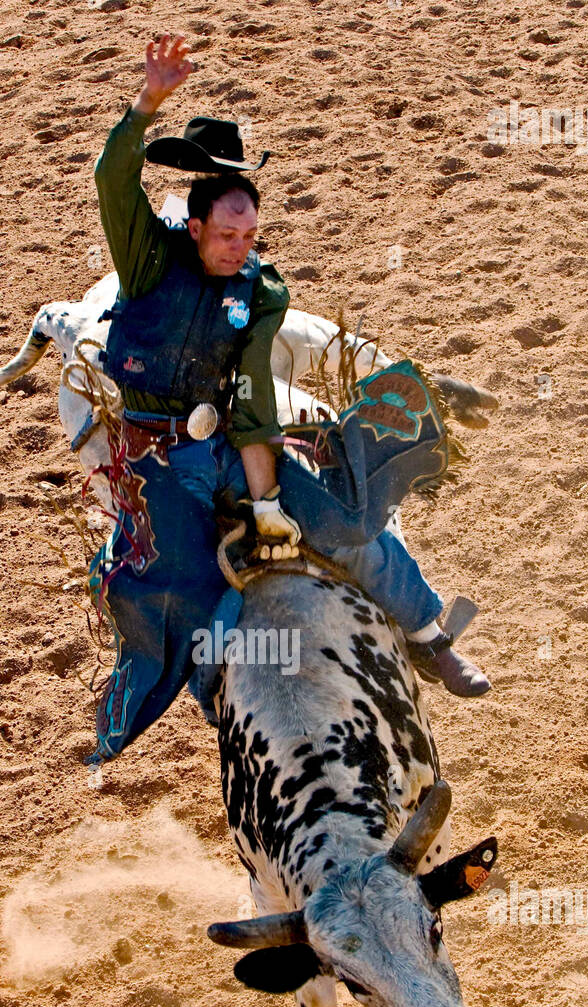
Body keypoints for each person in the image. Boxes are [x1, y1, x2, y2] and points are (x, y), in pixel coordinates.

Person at [88, 33, 490, 763]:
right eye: (228, 233)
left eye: (251, 235)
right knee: (178, 588)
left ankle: (430, 637)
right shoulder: (148, 255)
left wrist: (270, 500)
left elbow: (249, 396)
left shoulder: (260, 292)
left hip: (227, 443)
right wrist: (147, 103)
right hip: (157, 454)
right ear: (197, 224)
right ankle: (214, 704)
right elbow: (113, 178)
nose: (239, 246)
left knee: (340, 520)